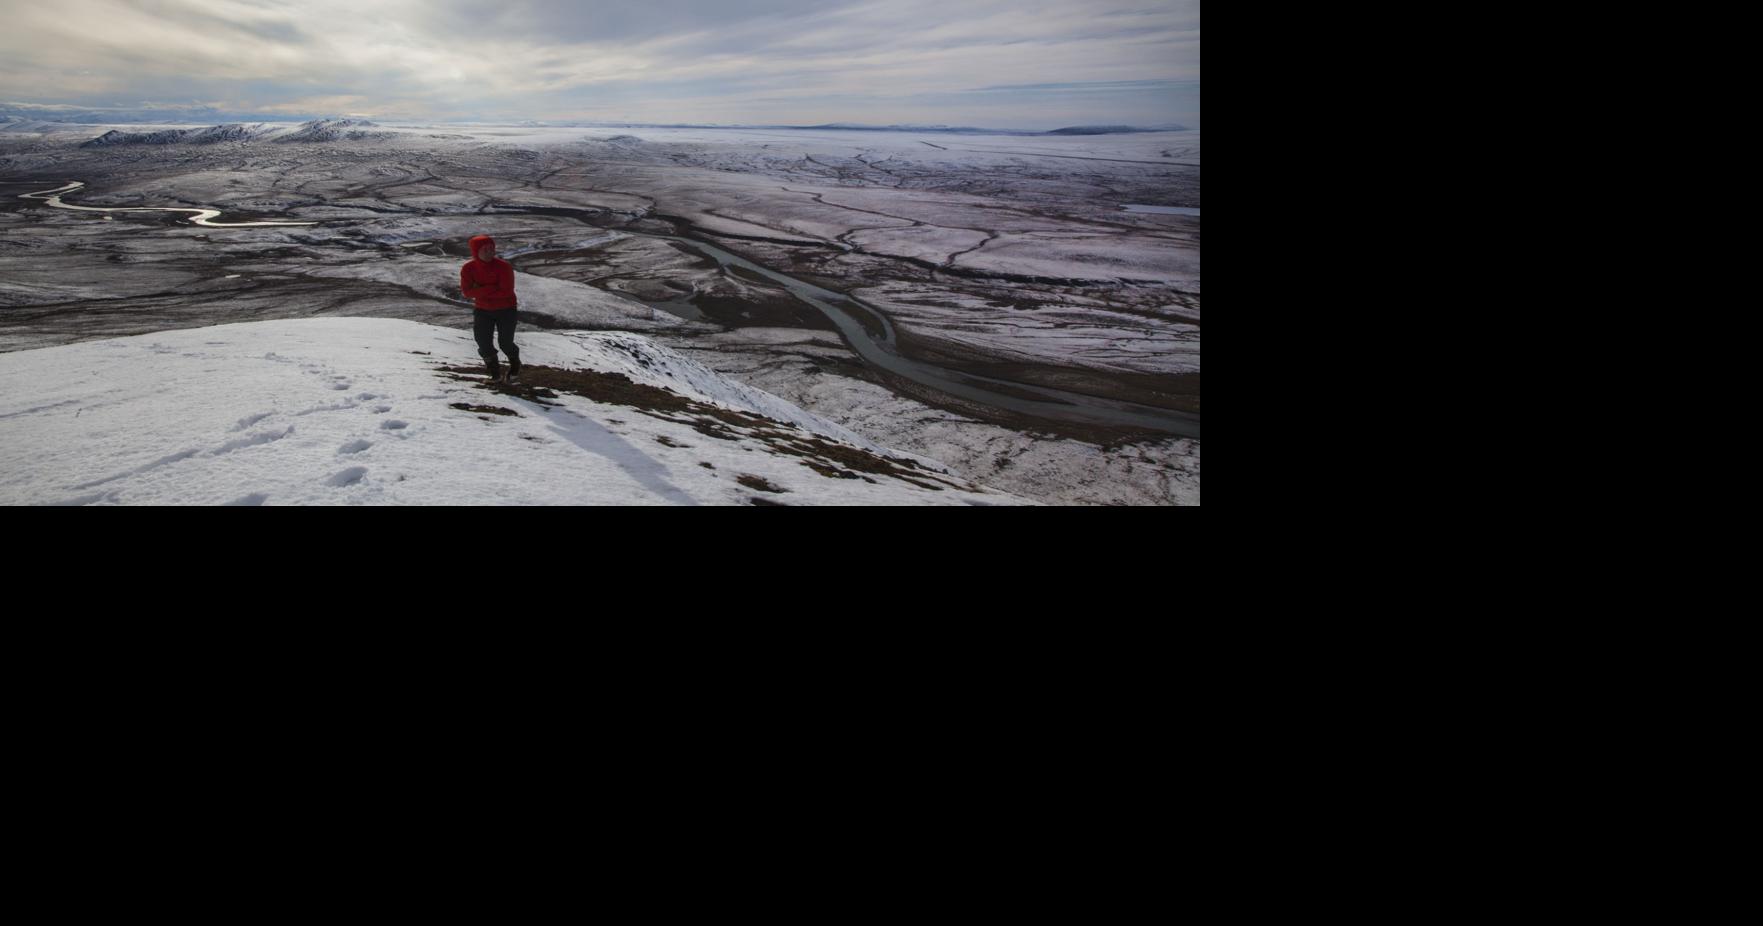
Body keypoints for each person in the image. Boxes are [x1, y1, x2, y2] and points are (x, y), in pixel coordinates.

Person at [460, 234, 521, 381]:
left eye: (491, 248)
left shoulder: (504, 267)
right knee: (483, 342)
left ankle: (515, 366)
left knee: (505, 344)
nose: (489, 252)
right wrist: (492, 287)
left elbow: (506, 291)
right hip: (482, 310)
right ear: (476, 251)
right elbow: (467, 293)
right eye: (485, 249)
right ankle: (495, 373)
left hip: (506, 310)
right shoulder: (468, 268)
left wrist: (480, 289)